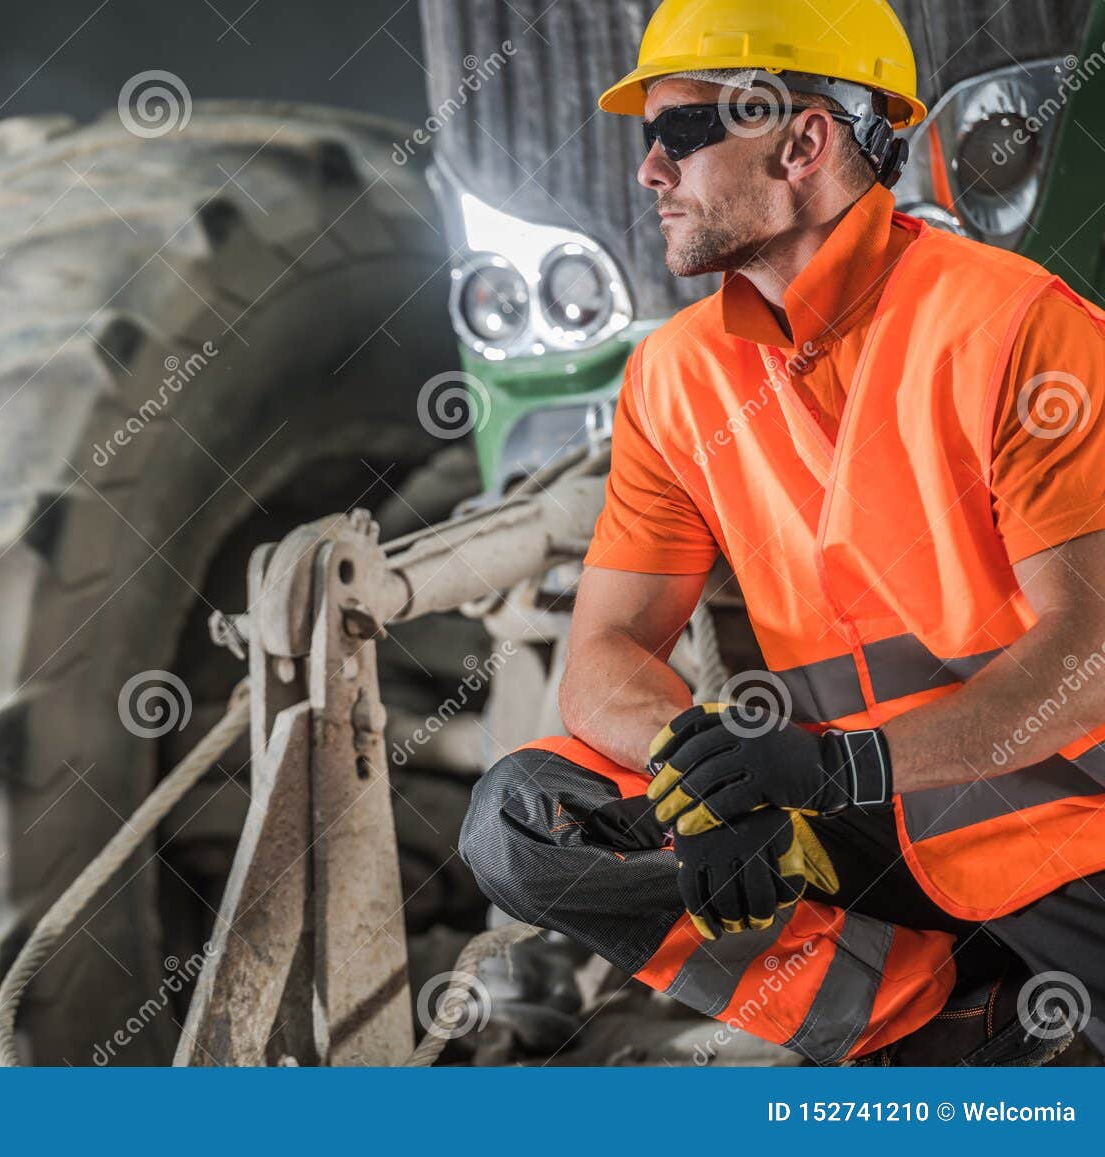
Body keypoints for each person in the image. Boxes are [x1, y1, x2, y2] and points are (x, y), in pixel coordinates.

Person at [460, 0, 1105, 1065]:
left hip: (1058, 836)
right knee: (529, 812)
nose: (649, 173)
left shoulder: (1012, 326)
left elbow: (1087, 654)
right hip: (861, 828)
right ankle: (911, 1022)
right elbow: (605, 655)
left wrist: (827, 769)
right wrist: (705, 784)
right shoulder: (675, 376)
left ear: (802, 141)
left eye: (678, 134)